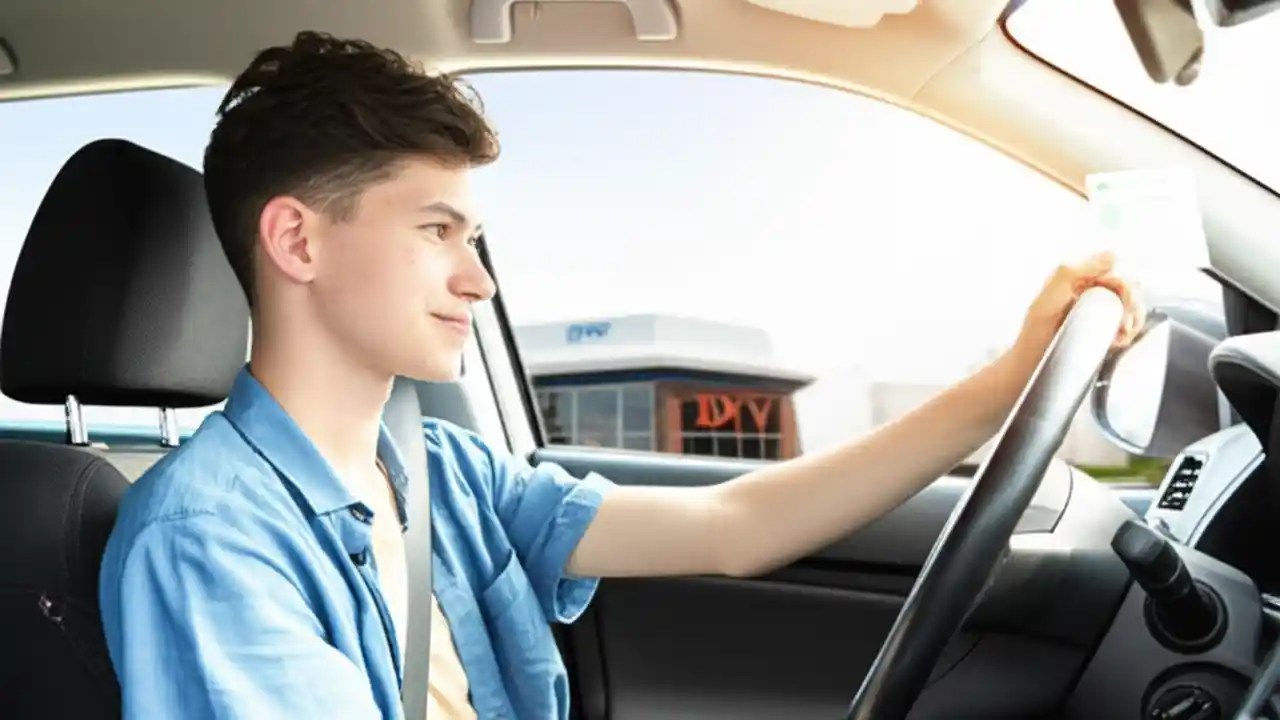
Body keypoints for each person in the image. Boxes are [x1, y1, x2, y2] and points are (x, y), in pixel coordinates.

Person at [97, 31, 1144, 720]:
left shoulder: (443, 473)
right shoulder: (205, 544)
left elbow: (733, 527)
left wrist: (1005, 381)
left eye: (475, 238)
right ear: (297, 241)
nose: (475, 281)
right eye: (436, 231)